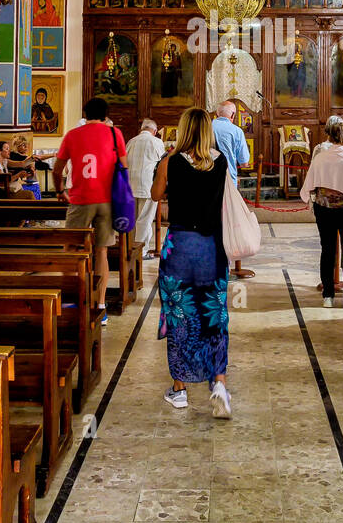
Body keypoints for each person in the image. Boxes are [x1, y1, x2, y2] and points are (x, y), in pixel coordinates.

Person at [150, 107, 232, 418]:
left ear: (184, 130)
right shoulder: (220, 161)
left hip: (180, 246)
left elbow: (156, 195)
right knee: (214, 314)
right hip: (211, 246)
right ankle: (219, 384)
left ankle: (180, 390)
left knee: (179, 316)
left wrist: (166, 167)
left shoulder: (170, 162)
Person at [53, 97, 127, 327]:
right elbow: (124, 167)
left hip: (80, 198)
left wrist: (60, 190)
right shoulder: (116, 134)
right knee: (102, 251)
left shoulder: (73, 135)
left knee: (71, 249)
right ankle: (101, 306)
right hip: (106, 200)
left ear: (85, 114)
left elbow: (57, 169)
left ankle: (71, 302)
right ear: (106, 115)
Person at [300, 116, 343, 309]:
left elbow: (310, 185)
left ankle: (328, 295)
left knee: (327, 250)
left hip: (324, 209)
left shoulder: (320, 156)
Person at [212, 101, 254, 280]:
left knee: (210, 221)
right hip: (228, 180)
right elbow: (245, 162)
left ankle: (210, 264)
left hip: (205, 179)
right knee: (228, 222)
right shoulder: (236, 131)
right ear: (233, 115)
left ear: (215, 114)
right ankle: (225, 266)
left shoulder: (207, 127)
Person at [126, 118, 165, 257]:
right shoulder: (156, 142)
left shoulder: (131, 141)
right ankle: (141, 252)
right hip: (147, 185)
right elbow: (162, 163)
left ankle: (130, 247)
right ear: (154, 131)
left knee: (133, 217)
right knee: (144, 219)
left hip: (130, 185)